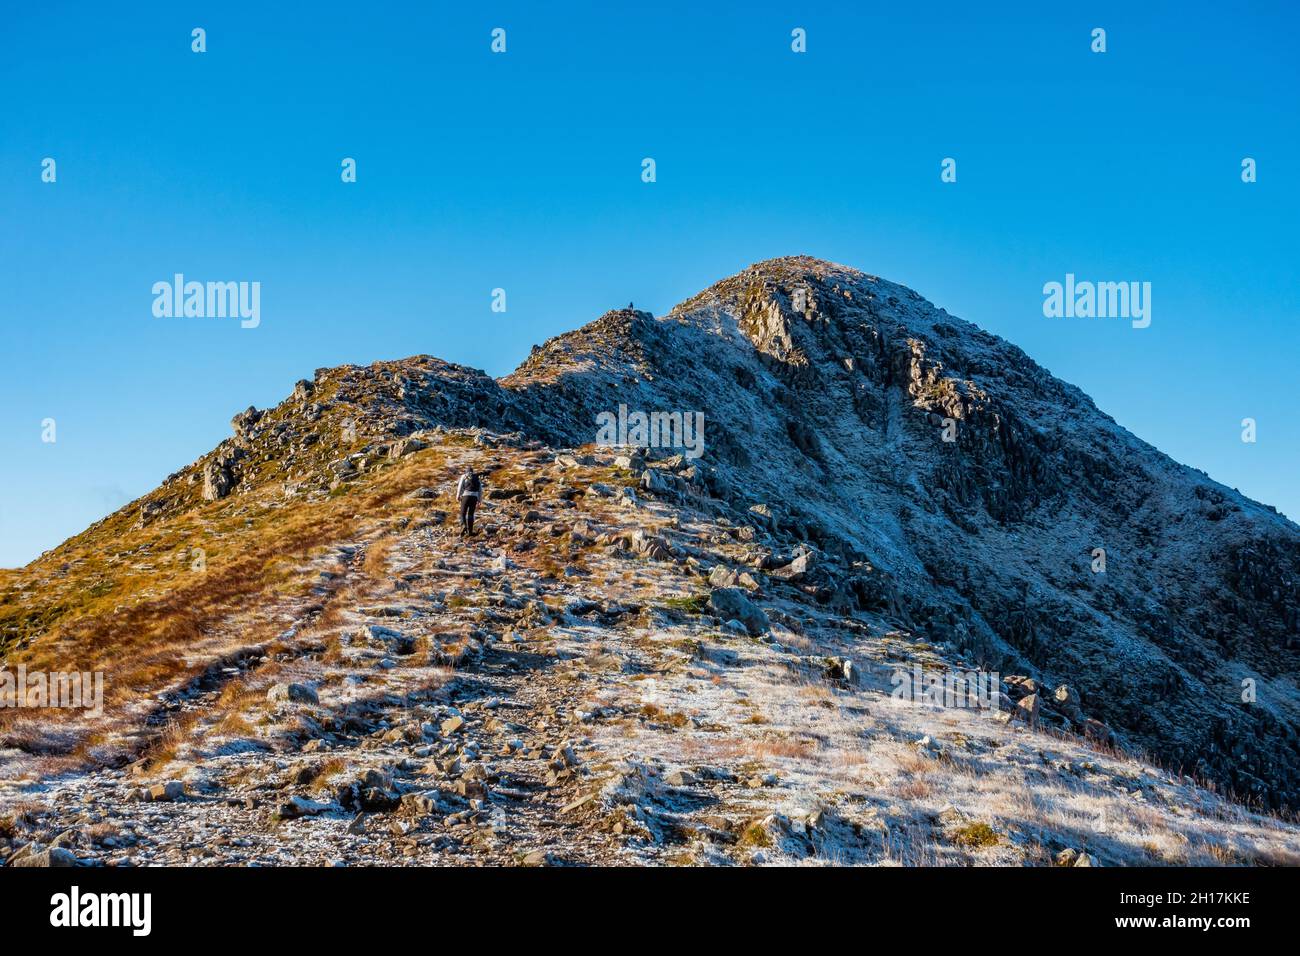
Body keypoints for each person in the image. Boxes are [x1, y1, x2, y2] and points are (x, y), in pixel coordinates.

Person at [455, 467, 482, 536]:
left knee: (463, 513)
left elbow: (460, 486)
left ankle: (464, 526)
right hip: (474, 497)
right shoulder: (476, 477)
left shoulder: (464, 476)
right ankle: (470, 532)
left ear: (466, 471)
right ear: (473, 472)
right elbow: (480, 490)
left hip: (466, 496)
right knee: (470, 514)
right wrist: (479, 500)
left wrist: (458, 495)